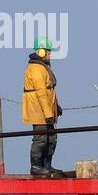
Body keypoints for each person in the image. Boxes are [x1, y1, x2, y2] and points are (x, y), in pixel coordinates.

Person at [21, 39, 64, 177]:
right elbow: (41, 93)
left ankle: (47, 166)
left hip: (46, 110)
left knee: (51, 138)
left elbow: (49, 91)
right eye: (48, 52)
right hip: (38, 111)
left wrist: (56, 107)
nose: (50, 55)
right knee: (40, 138)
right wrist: (48, 113)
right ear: (41, 51)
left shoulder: (43, 67)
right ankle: (36, 167)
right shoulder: (36, 69)